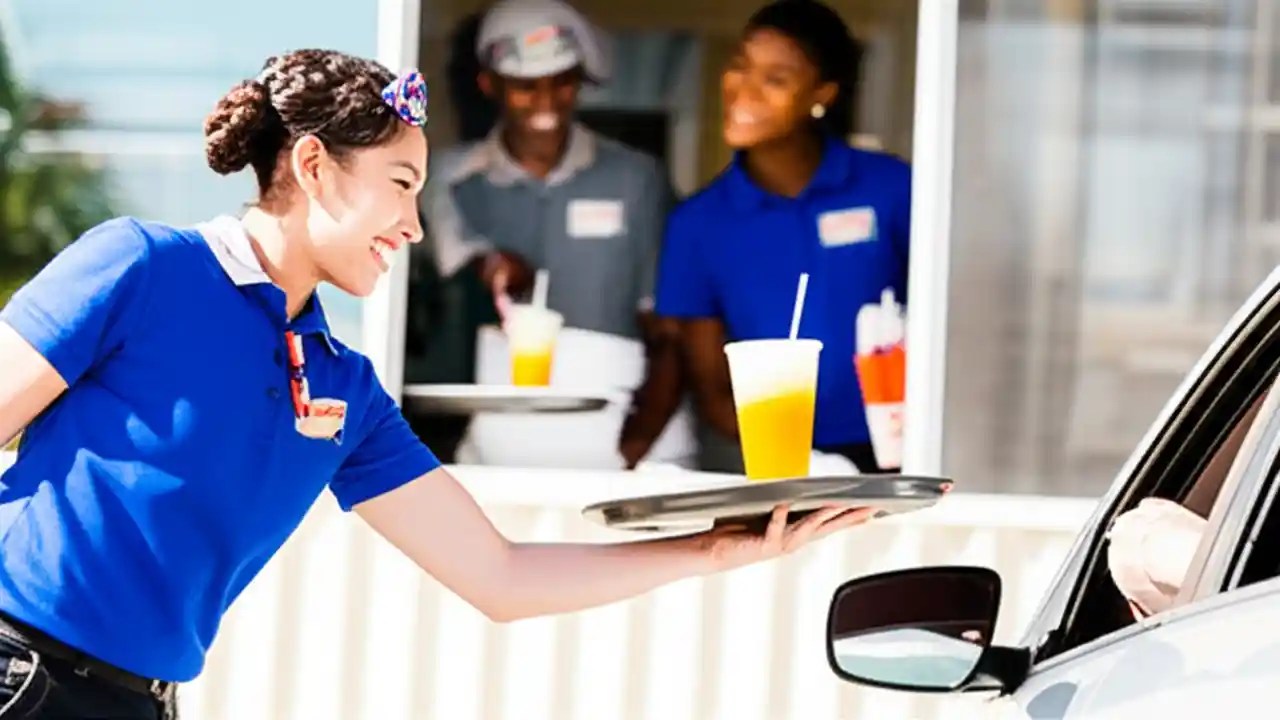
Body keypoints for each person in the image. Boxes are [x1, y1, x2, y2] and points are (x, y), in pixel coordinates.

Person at [0, 49, 875, 719]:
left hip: (140, 701)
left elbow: (498, 576)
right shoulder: (141, 267)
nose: (416, 226)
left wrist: (717, 551)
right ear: (312, 166)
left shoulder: (347, 387)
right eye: (401, 185)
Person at [417, 0, 684, 468]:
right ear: (489, 85)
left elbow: (668, 331)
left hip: (622, 417)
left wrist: (633, 448)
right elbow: (458, 258)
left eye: (562, 81)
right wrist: (492, 268)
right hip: (500, 424)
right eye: (525, 86)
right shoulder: (451, 179)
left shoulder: (636, 179)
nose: (546, 101)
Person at [647, 0, 910, 474]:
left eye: (775, 79)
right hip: (778, 469)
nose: (743, 91)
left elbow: (952, 324)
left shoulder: (893, 189)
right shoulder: (698, 223)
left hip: (902, 458)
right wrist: (798, 470)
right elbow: (712, 390)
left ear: (822, 94)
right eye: (741, 67)